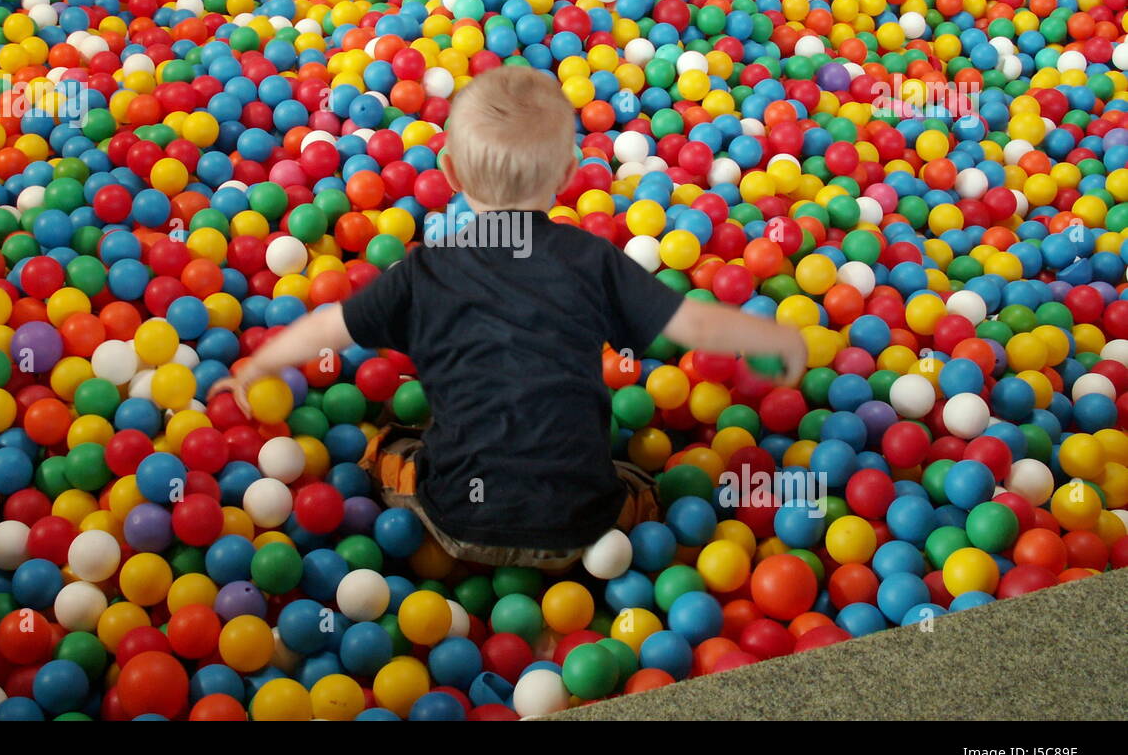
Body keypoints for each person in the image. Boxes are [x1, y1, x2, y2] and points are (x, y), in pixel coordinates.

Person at [211, 65, 807, 568]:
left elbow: (329, 328)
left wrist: (259, 363)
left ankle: (388, 467)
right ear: (569, 175)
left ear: (448, 174)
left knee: (395, 444)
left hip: (459, 520)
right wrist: (770, 334)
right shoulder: (592, 261)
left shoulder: (427, 271)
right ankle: (631, 506)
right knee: (642, 483)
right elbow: (695, 327)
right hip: (583, 530)